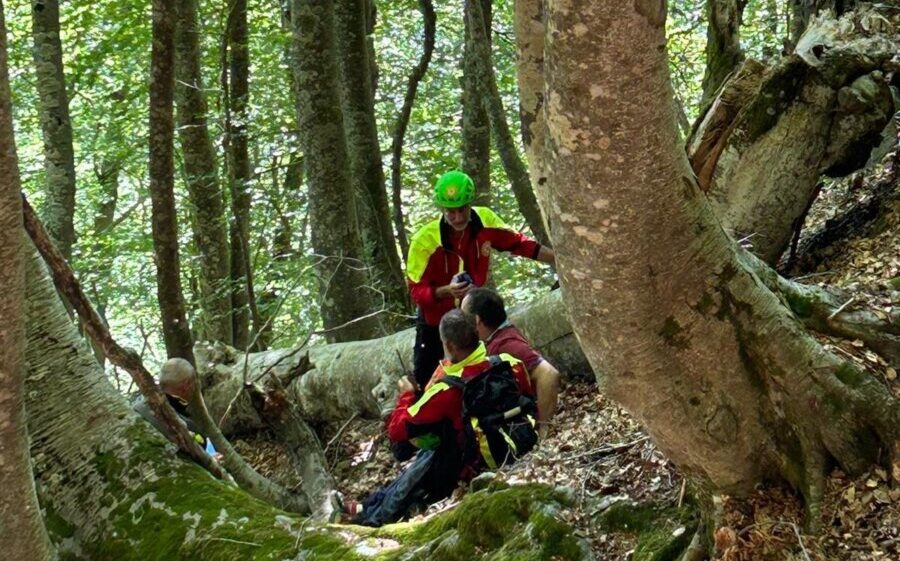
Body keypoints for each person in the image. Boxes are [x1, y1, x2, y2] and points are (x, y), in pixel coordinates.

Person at [344, 310, 534, 526]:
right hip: (518, 441)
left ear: (450, 346)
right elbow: (528, 396)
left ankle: (372, 519)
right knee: (427, 454)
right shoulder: (509, 362)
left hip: (467, 464)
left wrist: (406, 395)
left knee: (425, 456)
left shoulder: (446, 390)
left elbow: (397, 431)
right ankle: (368, 506)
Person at [406, 169, 555, 390]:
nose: (458, 218)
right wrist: (446, 291)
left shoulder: (485, 220)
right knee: (428, 380)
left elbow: (520, 244)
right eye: (451, 212)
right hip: (435, 323)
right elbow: (415, 291)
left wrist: (559, 259)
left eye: (463, 209)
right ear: (442, 210)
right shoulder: (424, 241)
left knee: (486, 375)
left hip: (475, 316)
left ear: (470, 204)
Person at [462, 287, 560, 439]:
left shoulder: (506, 344)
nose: (461, 321)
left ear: (477, 320)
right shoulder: (495, 339)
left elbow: (549, 374)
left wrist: (543, 427)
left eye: (463, 316)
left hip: (521, 425)